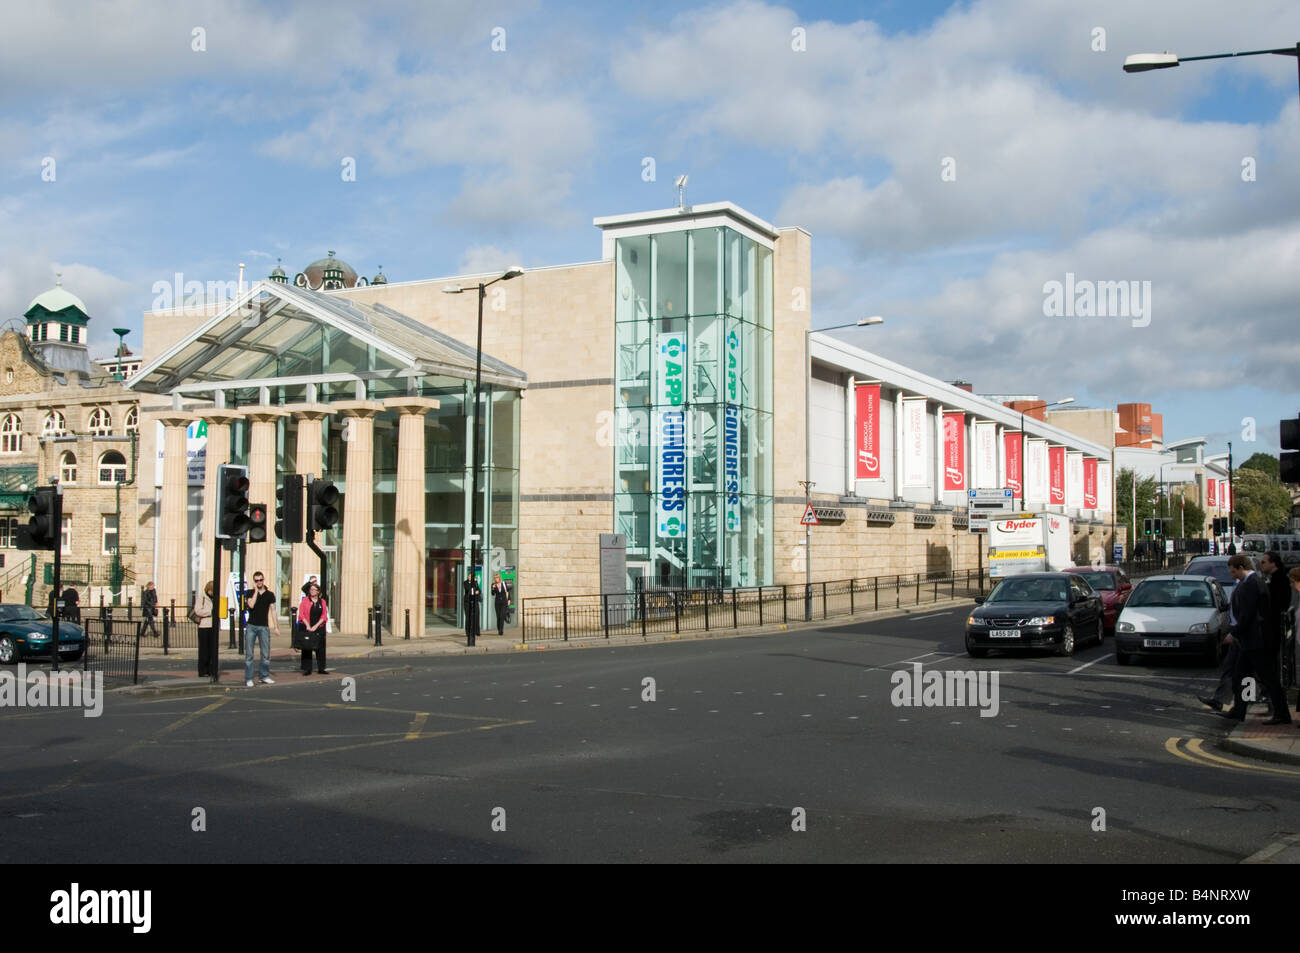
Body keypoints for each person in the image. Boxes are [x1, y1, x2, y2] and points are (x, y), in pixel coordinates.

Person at [1220, 554, 1291, 725]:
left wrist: (1233, 633)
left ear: (1240, 568)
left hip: (1257, 640)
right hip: (1250, 640)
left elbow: (1249, 613)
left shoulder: (1252, 583)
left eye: (1232, 571)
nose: (1231, 574)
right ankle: (1240, 709)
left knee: (1269, 678)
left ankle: (1282, 714)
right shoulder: (1250, 582)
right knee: (1241, 675)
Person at [243, 571, 278, 687]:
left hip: (264, 626)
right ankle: (249, 678)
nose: (259, 582)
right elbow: (251, 605)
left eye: (261, 580)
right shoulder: (249, 593)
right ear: (254, 581)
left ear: (264, 580)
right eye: (257, 580)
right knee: (249, 654)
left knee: (266, 653)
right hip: (251, 626)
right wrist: (256, 593)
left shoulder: (270, 594)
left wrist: (276, 627)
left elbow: (273, 610)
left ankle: (264, 676)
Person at [297, 581, 329, 675]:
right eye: (311, 589)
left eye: (314, 590)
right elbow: (301, 614)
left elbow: (324, 615)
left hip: (319, 627)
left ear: (318, 591)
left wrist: (316, 626)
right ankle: (307, 669)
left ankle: (321, 668)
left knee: (321, 648)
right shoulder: (305, 601)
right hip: (307, 626)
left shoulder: (322, 602)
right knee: (307, 647)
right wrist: (308, 625)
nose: (312, 591)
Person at [194, 581, 215, 679]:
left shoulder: (215, 597)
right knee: (204, 650)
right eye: (211, 591)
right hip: (204, 625)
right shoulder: (201, 597)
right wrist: (209, 612)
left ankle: (211, 670)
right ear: (208, 590)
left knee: (212, 649)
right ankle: (202, 670)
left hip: (212, 625)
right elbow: (197, 610)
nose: (212, 593)